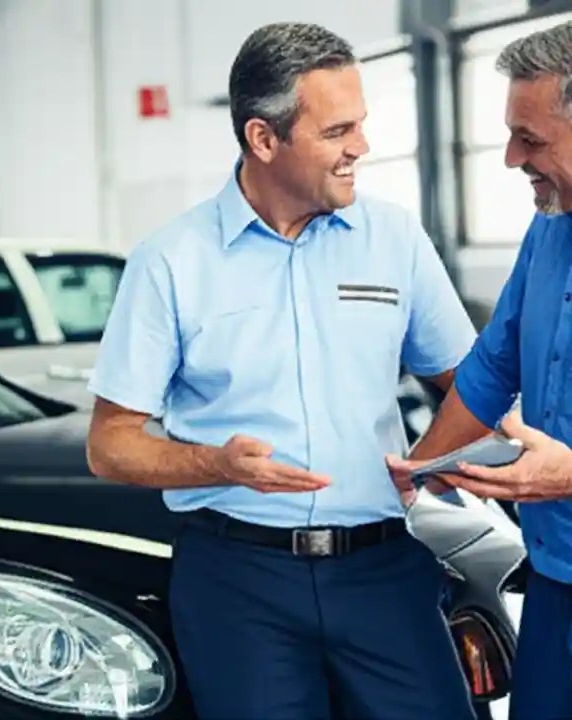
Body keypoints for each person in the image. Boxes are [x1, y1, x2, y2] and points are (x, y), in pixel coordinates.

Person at [85, 22, 479, 720]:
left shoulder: (394, 239)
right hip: (241, 582)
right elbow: (111, 444)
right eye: (337, 131)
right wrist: (219, 464)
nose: (361, 146)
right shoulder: (171, 261)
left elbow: (467, 383)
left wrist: (445, 455)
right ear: (263, 139)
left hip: (382, 570)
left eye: (360, 124)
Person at [386, 21, 572, 720]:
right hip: (555, 582)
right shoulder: (551, 226)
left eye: (533, 139)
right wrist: (415, 474)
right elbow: (493, 365)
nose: (511, 158)